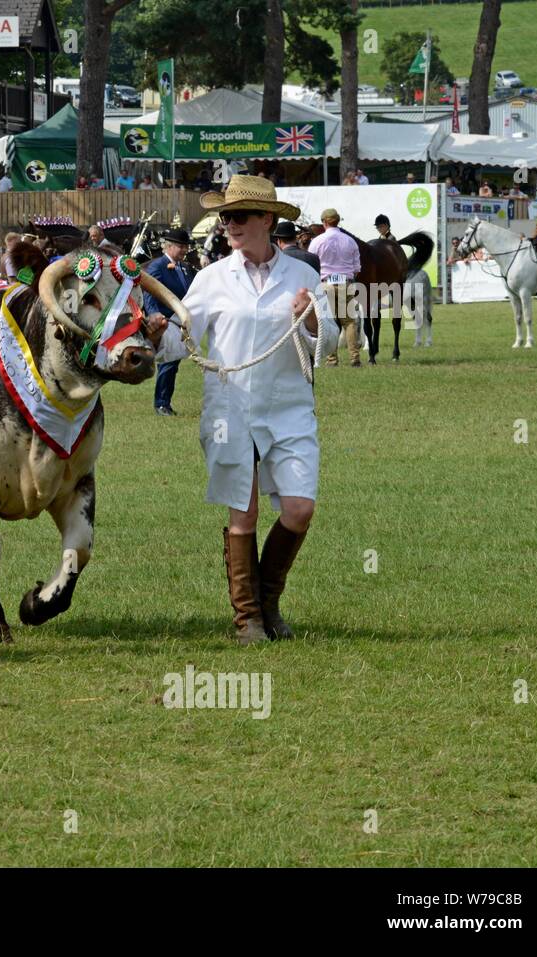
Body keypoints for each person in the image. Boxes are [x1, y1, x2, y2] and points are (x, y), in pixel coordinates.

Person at [144, 174, 339, 645]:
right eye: (224, 216)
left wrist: (309, 317)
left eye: (238, 216)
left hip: (289, 408)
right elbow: (179, 339)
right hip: (229, 410)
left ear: (267, 220)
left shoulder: (304, 276)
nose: (228, 224)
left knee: (299, 509)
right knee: (244, 514)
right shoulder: (211, 278)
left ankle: (269, 601)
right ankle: (248, 618)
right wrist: (154, 333)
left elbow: (329, 341)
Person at [143, 227, 194, 417]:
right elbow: (150, 292)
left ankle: (165, 402)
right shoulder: (157, 266)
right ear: (169, 246)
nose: (184, 250)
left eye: (186, 247)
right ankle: (162, 404)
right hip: (165, 321)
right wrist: (154, 314)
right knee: (168, 363)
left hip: (179, 322)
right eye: (181, 246)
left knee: (174, 364)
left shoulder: (185, 267)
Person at [308, 208, 362, 368]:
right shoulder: (350, 241)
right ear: (338, 221)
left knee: (328, 321)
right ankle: (354, 357)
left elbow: (311, 264)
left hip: (325, 283)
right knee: (349, 322)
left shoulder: (317, 241)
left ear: (324, 222)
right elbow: (357, 268)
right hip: (346, 282)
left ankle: (332, 359)